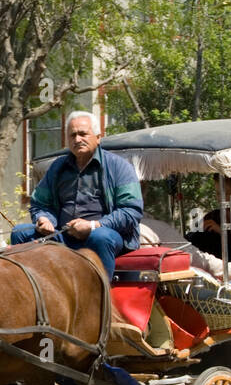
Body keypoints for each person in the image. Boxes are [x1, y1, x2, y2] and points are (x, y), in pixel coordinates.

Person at [10, 110, 143, 278]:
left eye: (83, 134)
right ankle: (35, 297)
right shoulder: (58, 168)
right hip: (62, 235)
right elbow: (40, 203)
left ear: (98, 137)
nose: (77, 139)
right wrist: (44, 219)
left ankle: (99, 300)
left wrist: (93, 226)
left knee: (100, 237)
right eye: (72, 135)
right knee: (20, 233)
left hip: (104, 236)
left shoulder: (119, 167)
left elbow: (131, 212)